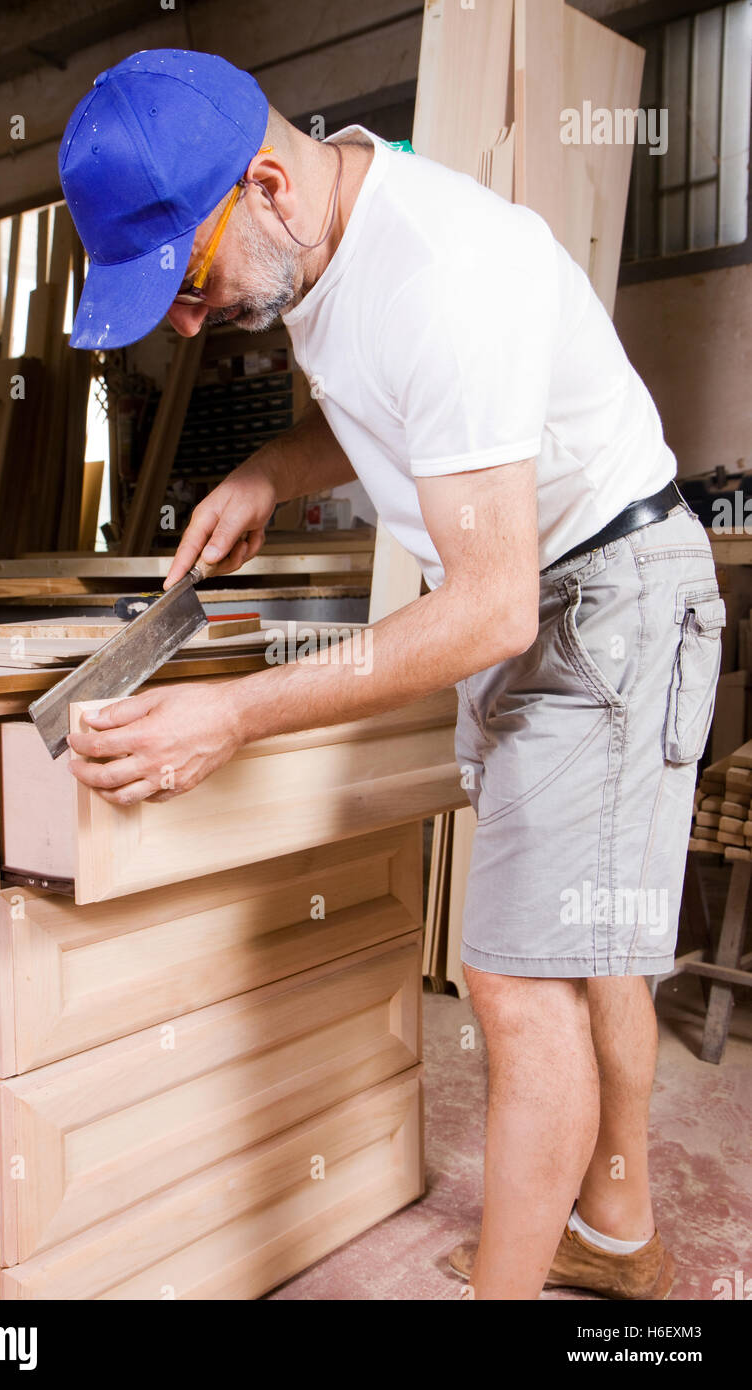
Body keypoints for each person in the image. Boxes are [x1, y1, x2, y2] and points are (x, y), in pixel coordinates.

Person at [59, 49, 725, 1300]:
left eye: (190, 285)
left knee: (515, 982)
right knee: (587, 945)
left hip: (604, 598)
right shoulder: (324, 230)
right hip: (553, 590)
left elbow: (485, 605)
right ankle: (618, 1237)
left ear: (264, 182)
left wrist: (237, 713)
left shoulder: (445, 274)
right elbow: (379, 407)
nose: (189, 325)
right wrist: (266, 471)